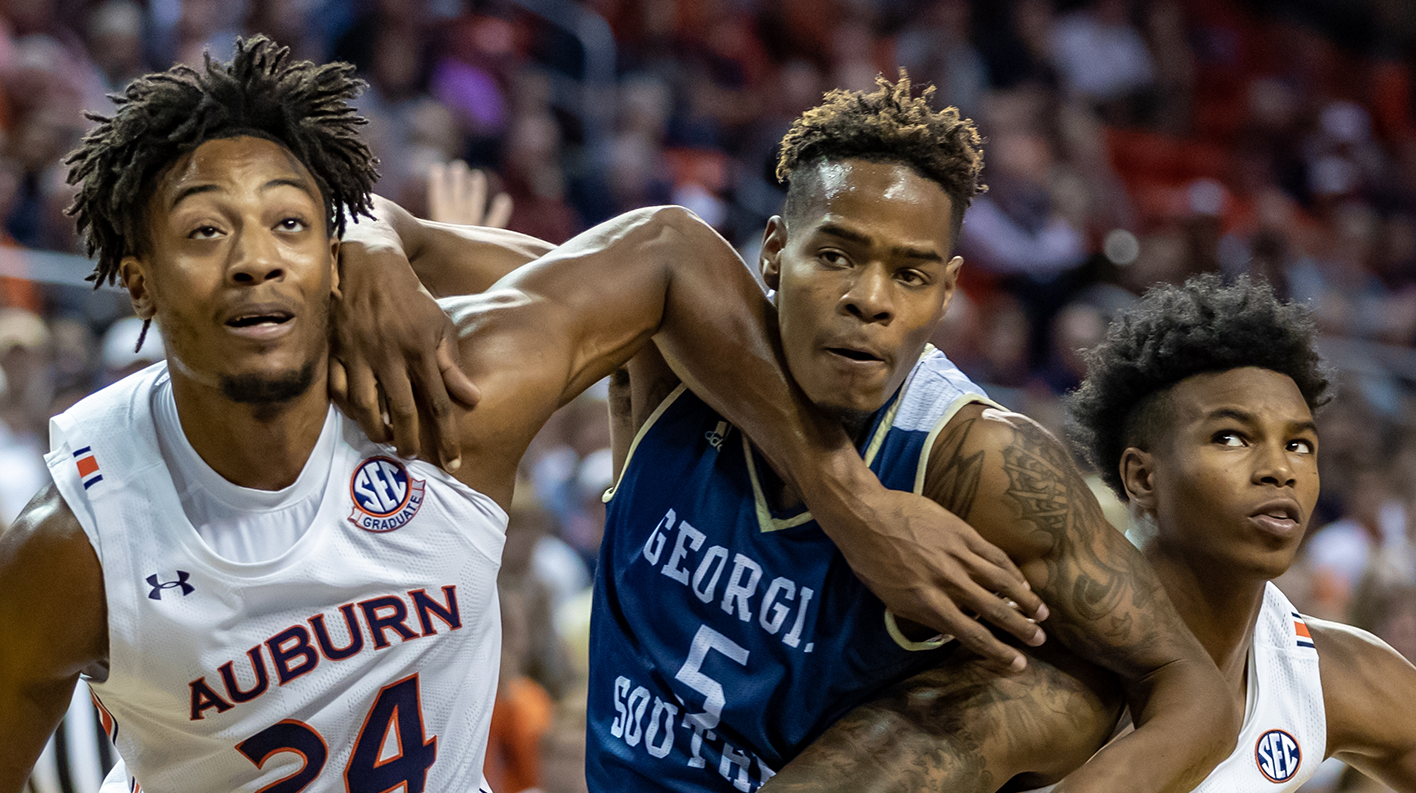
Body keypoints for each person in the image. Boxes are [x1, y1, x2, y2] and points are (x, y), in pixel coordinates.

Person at [0, 40, 1041, 793]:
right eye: (204, 232)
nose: (257, 256)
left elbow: (670, 252)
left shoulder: (451, 400)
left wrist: (852, 502)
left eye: (289, 224)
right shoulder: (73, 541)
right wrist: (372, 230)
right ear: (136, 280)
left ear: (330, 262)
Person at [355, 73, 1236, 793]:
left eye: (910, 273)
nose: (870, 298)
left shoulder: (976, 461)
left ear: (948, 291)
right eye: (838, 254)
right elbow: (394, 229)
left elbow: (1192, 691)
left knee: (1047, 694)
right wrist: (370, 243)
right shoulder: (660, 337)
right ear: (774, 251)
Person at [773, 276, 1416, 791]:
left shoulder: (1337, 675)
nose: (1280, 468)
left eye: (1299, 444)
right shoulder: (1038, 673)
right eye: (1231, 437)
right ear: (1142, 478)